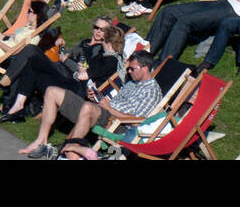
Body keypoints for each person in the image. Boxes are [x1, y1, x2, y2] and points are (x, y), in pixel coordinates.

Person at [19, 47, 163, 158]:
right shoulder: (132, 82)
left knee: (87, 107)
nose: (129, 71)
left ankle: (71, 152)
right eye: (129, 68)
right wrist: (97, 97)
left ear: (145, 68)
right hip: (103, 110)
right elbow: (115, 103)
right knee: (52, 91)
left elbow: (137, 123)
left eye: (132, 68)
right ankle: (41, 141)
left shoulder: (151, 91)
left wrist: (108, 108)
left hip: (117, 123)